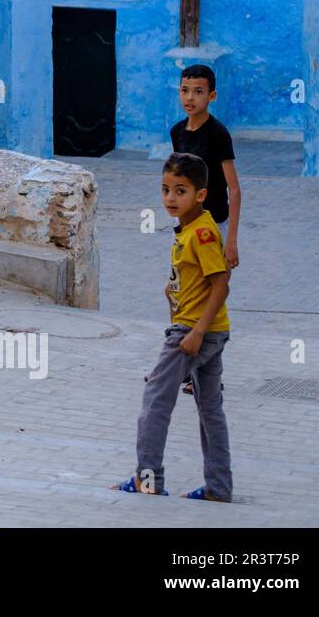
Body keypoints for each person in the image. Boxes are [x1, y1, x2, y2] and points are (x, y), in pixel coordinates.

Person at [114, 152, 233, 501]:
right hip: (204, 330)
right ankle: (219, 488)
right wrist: (173, 292)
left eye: (180, 191)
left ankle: (147, 481)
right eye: (166, 190)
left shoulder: (203, 234)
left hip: (192, 334)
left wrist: (196, 332)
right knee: (210, 409)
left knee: (155, 401)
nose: (170, 198)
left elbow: (221, 282)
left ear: (200, 194)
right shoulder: (190, 228)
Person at [170, 63, 241, 395]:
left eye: (198, 92)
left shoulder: (218, 134)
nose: (190, 97)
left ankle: (211, 373)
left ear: (211, 96)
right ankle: (184, 364)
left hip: (214, 227)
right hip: (187, 227)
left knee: (215, 290)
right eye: (185, 90)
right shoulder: (177, 132)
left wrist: (232, 241)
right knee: (179, 291)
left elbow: (234, 189)